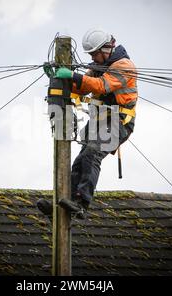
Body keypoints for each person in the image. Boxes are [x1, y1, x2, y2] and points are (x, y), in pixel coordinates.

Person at [38, 28, 138, 219]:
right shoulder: (97, 67)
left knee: (92, 154)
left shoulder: (124, 66)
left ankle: (82, 203)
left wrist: (73, 75)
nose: (93, 58)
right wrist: (57, 77)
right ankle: (62, 202)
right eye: (91, 54)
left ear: (107, 49)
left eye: (94, 54)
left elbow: (101, 86)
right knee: (80, 161)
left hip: (119, 123)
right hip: (100, 122)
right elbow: (82, 87)